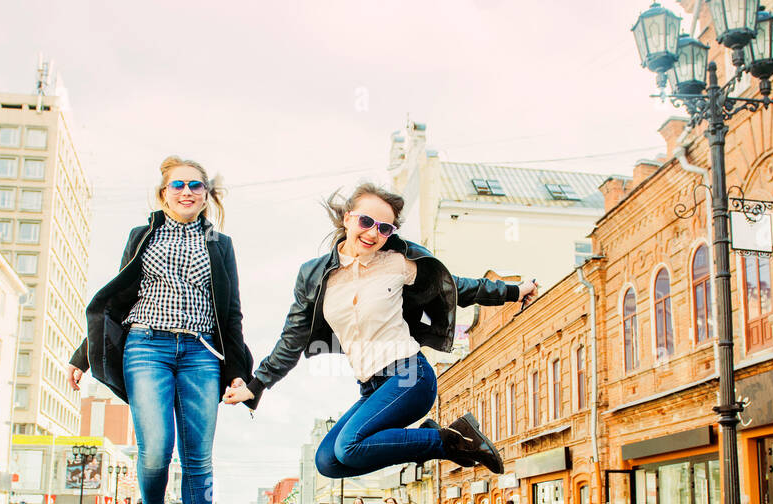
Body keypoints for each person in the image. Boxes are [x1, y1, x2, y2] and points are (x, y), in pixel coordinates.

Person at [223, 183, 537, 482]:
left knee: (349, 446)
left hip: (410, 376)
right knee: (328, 461)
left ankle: (447, 440)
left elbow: (456, 288)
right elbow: (292, 338)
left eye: (384, 228)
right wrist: (255, 385)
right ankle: (432, 436)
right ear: (348, 218)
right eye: (366, 221)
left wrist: (514, 290)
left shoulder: (397, 263)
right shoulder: (314, 275)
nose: (374, 233)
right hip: (372, 387)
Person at [68, 156, 253, 504]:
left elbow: (230, 312)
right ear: (163, 193)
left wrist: (240, 372)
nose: (187, 191)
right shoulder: (141, 236)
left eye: (196, 185)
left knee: (198, 461)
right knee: (155, 451)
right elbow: (117, 299)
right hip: (145, 347)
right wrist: (83, 354)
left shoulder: (221, 244)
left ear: (207, 194)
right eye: (178, 185)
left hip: (201, 355)